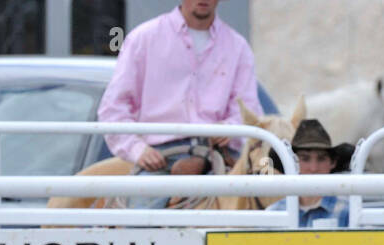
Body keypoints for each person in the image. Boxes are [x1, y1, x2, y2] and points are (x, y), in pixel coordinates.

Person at [98, 0, 261, 176]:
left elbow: (248, 109)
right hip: (160, 157)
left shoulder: (238, 47)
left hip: (220, 155)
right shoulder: (143, 38)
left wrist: (231, 127)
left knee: (266, 198)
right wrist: (137, 149)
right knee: (144, 203)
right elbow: (113, 108)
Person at [264, 119, 352, 227]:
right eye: (305, 159)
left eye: (321, 158)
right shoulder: (275, 213)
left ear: (333, 162)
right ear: (292, 163)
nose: (313, 168)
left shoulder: (349, 212)